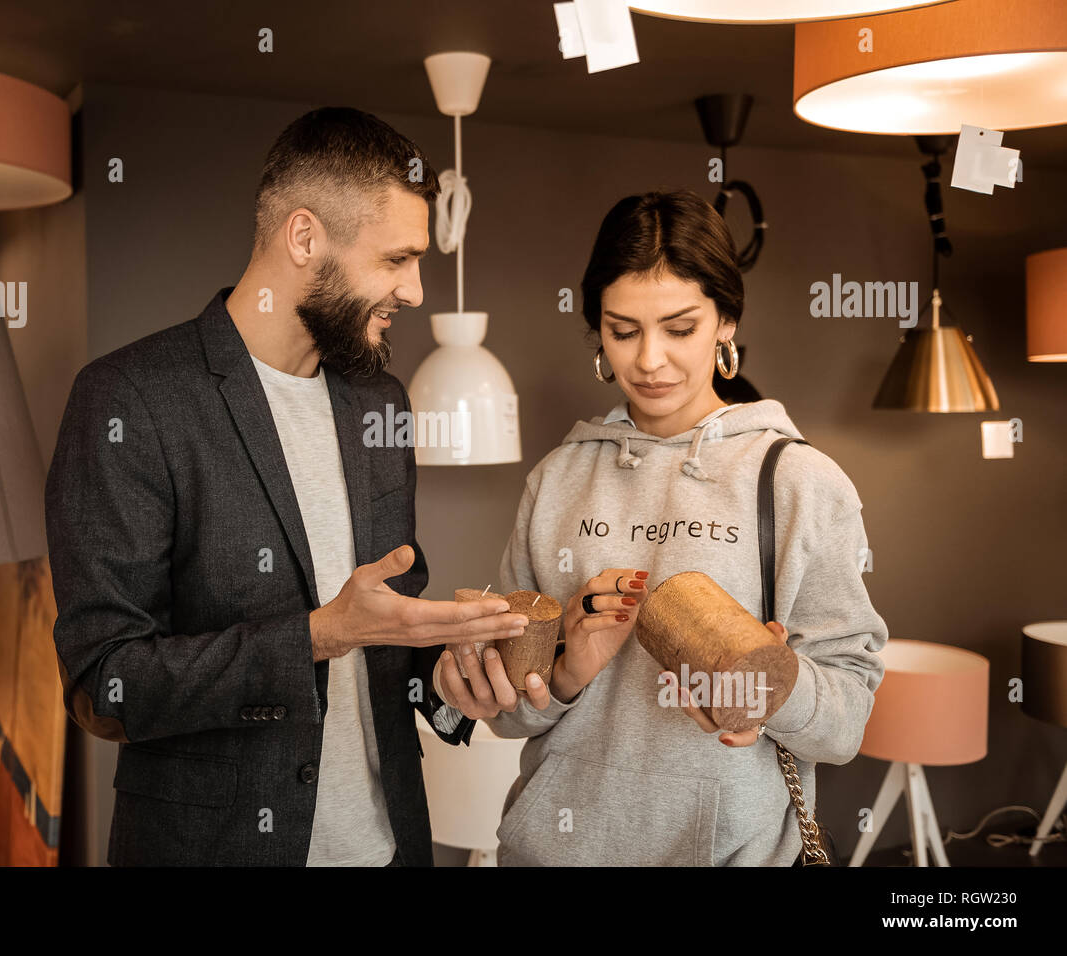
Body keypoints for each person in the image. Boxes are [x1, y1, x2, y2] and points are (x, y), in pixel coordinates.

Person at [44, 107, 527, 867]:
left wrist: (449, 679)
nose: (416, 288)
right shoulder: (129, 400)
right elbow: (105, 685)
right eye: (398, 259)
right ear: (306, 238)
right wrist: (315, 637)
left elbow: (385, 629)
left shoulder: (380, 402)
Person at [477, 189, 889, 866]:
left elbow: (844, 725)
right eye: (624, 329)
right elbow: (506, 713)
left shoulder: (799, 482)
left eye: (679, 327)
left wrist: (771, 685)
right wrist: (568, 672)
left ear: (726, 320)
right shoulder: (555, 481)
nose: (649, 361)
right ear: (598, 330)